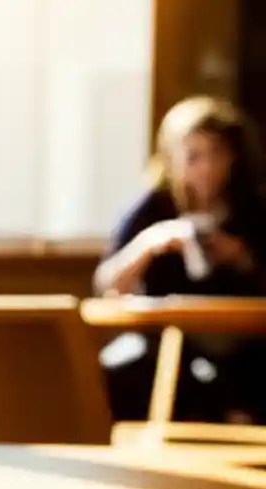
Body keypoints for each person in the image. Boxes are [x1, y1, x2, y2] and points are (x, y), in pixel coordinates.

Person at [96, 96, 266, 422]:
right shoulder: (153, 208)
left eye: (218, 154)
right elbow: (107, 286)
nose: (207, 168)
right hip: (164, 341)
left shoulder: (252, 209)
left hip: (242, 345)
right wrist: (149, 244)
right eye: (194, 156)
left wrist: (242, 256)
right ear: (173, 159)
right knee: (126, 370)